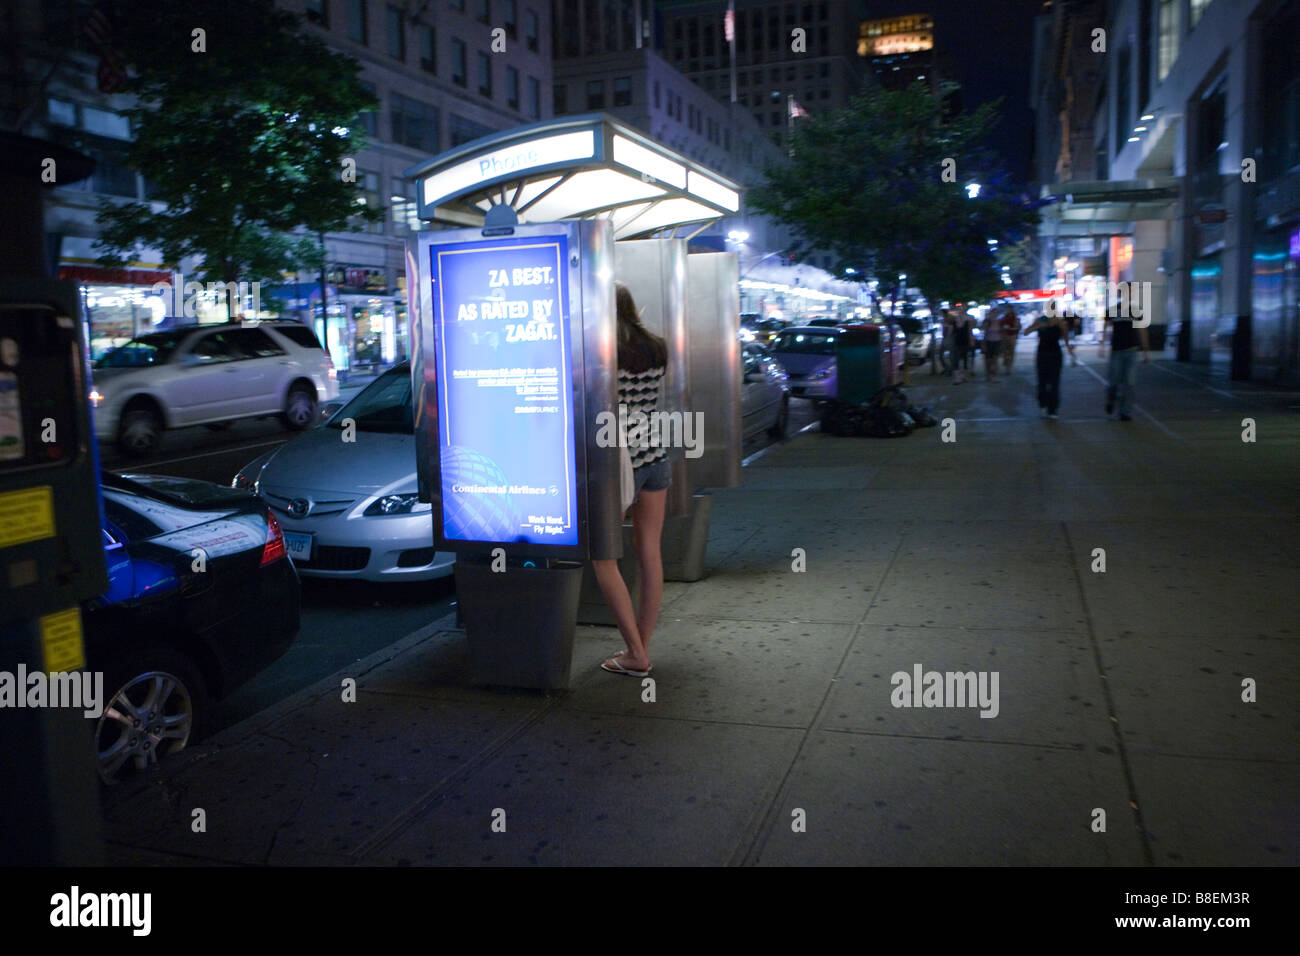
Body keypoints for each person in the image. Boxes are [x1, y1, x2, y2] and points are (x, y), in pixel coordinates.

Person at [596, 283, 671, 677]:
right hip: (655, 455)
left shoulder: (603, 353)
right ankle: (639, 648)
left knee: (603, 557)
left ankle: (636, 653)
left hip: (618, 462)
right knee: (649, 554)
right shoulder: (657, 347)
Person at [1022, 310, 1074, 418]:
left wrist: (1069, 348)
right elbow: (1026, 332)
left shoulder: (1061, 323)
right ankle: (1043, 404)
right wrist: (1038, 326)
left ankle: (1053, 409)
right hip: (1042, 354)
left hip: (1055, 354)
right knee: (1042, 382)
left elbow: (1066, 337)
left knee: (1055, 382)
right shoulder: (1040, 321)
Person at [1101, 311, 1151, 421]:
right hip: (1117, 351)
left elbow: (1142, 330)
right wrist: (1102, 345)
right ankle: (1111, 397)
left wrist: (1146, 351)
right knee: (1113, 380)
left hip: (1132, 351)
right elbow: (1106, 326)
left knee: (1129, 382)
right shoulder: (1112, 310)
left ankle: (1125, 412)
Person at [951, 305, 974, 384]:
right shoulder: (955, 320)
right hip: (957, 341)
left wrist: (971, 340)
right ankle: (957, 378)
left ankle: (963, 377)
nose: (961, 310)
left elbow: (970, 331)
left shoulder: (968, 319)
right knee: (956, 359)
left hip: (965, 340)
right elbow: (952, 332)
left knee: (964, 358)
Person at [980, 307, 1003, 380]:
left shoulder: (999, 321)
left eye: (996, 313)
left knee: (995, 359)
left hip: (997, 341)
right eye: (993, 312)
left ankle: (994, 374)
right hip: (988, 341)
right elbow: (982, 329)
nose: (994, 314)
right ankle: (988, 374)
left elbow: (1002, 331)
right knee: (988, 359)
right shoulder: (987, 321)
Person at [999, 306, 1021, 372]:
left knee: (1011, 351)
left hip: (1012, 335)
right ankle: (1006, 364)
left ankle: (1009, 366)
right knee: (1005, 351)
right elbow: (1000, 326)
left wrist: (1014, 329)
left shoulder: (1015, 317)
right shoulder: (1004, 318)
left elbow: (1018, 327)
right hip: (1005, 335)